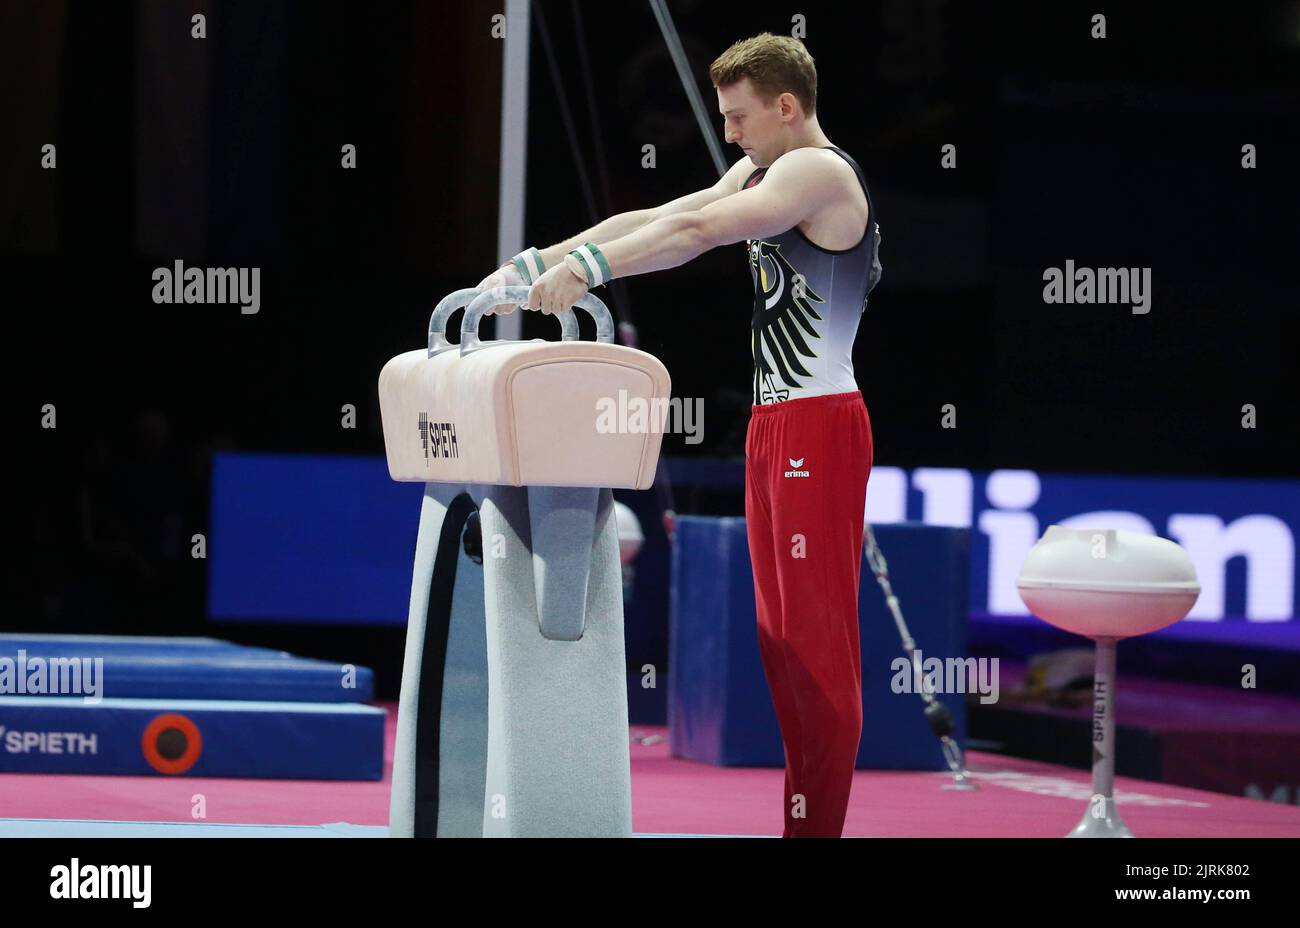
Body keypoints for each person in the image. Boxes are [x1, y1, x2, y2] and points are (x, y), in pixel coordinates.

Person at [477, 32, 882, 838]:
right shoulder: (766, 167)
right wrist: (538, 262)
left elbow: (700, 237)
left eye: (739, 117)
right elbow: (668, 213)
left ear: (786, 106)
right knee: (779, 641)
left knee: (815, 642)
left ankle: (818, 831)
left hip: (820, 427)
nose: (729, 133)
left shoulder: (817, 172)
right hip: (776, 426)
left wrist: (592, 269)